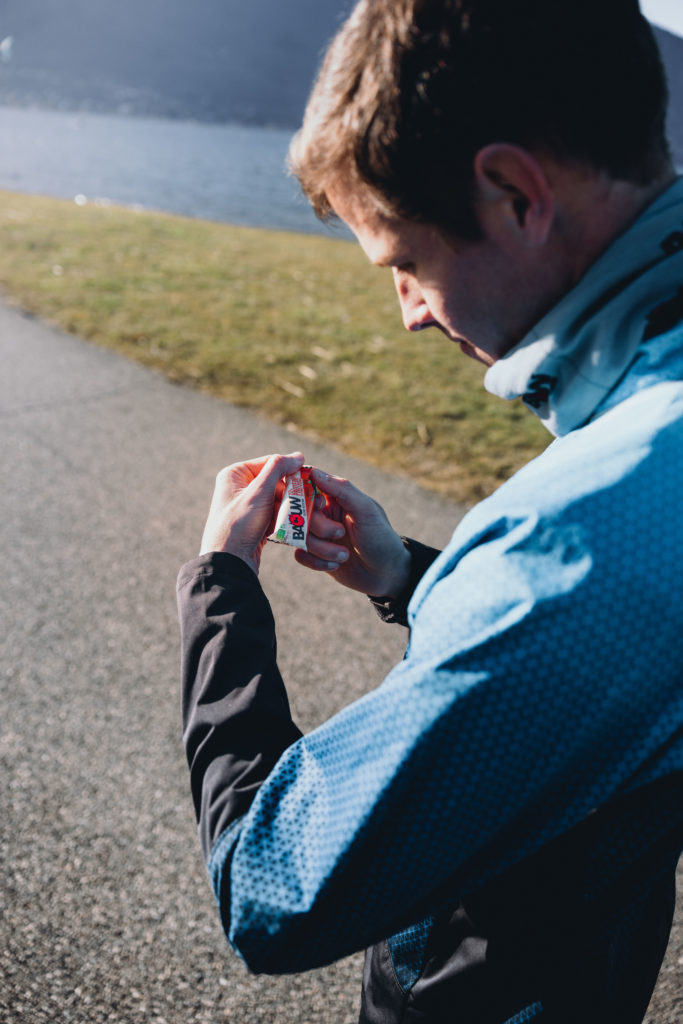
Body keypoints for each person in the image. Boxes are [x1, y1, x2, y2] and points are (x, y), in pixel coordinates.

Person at [177, 1, 683, 1020]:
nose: (407, 311)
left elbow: (273, 883)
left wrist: (218, 588)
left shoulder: (579, 540)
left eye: (403, 261)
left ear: (509, 193)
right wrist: (412, 577)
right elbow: (609, 675)